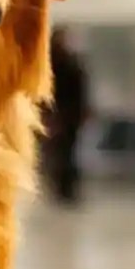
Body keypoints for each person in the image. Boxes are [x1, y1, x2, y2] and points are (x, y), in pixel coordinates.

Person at [46, 28, 89, 204]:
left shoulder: (71, 64)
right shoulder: (55, 65)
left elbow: (81, 92)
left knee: (69, 153)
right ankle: (61, 188)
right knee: (60, 153)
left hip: (71, 117)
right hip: (60, 115)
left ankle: (67, 188)